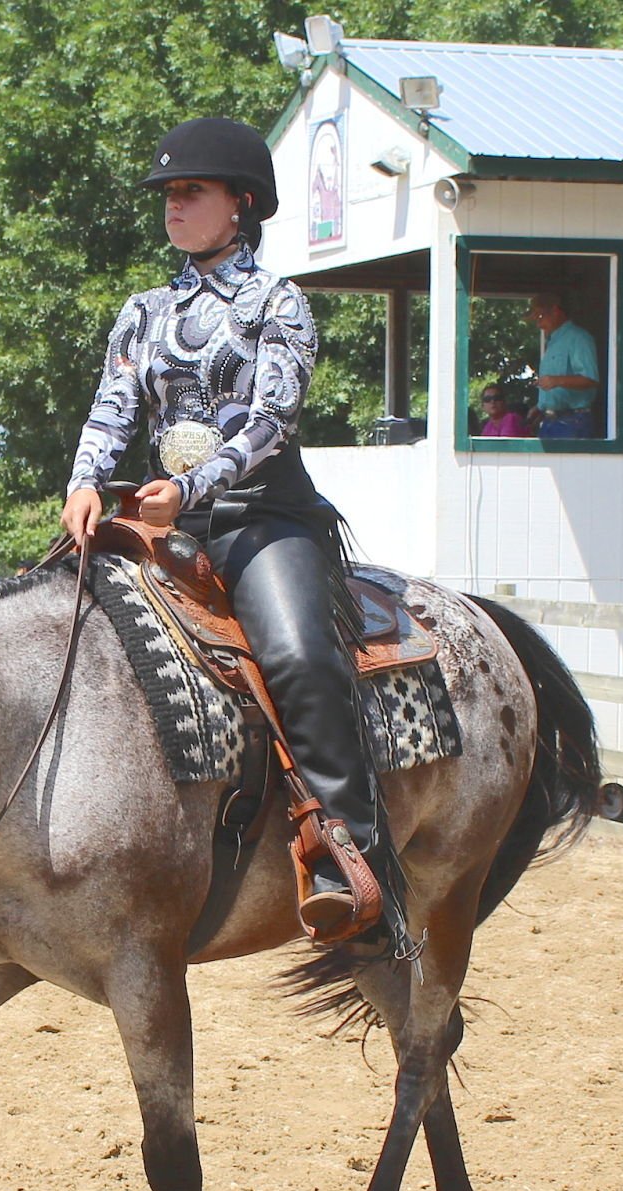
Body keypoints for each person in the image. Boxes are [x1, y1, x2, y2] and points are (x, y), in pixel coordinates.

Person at [62, 117, 389, 946]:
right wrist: (84, 481)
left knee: (300, 656)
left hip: (262, 520)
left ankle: (346, 851)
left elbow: (270, 422)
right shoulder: (142, 313)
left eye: (190, 192)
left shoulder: (278, 304)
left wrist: (193, 486)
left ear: (241, 204)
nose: (173, 207)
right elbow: (112, 410)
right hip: (159, 518)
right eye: (168, 194)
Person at [527, 293, 599, 439]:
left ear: (555, 311)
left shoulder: (578, 338)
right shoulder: (552, 342)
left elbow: (590, 379)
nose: (539, 325)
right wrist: (540, 406)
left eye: (540, 317)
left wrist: (556, 380)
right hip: (550, 420)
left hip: (573, 420)